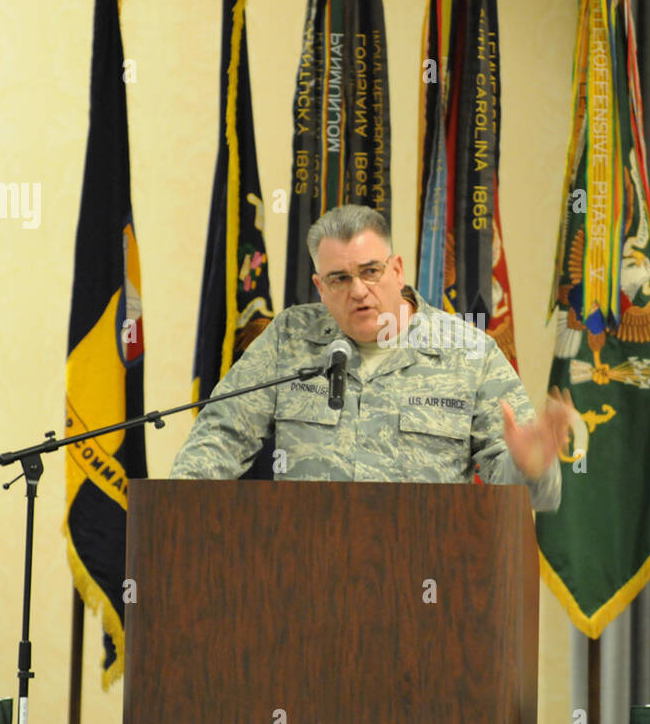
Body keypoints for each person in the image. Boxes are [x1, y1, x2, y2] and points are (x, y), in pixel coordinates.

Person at [172, 204, 569, 512]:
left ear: (396, 270)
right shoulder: (289, 340)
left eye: (371, 271)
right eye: (339, 278)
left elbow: (521, 490)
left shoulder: (470, 353)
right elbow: (221, 435)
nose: (358, 290)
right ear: (320, 287)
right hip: (300, 580)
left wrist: (531, 466)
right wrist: (171, 512)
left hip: (426, 584)